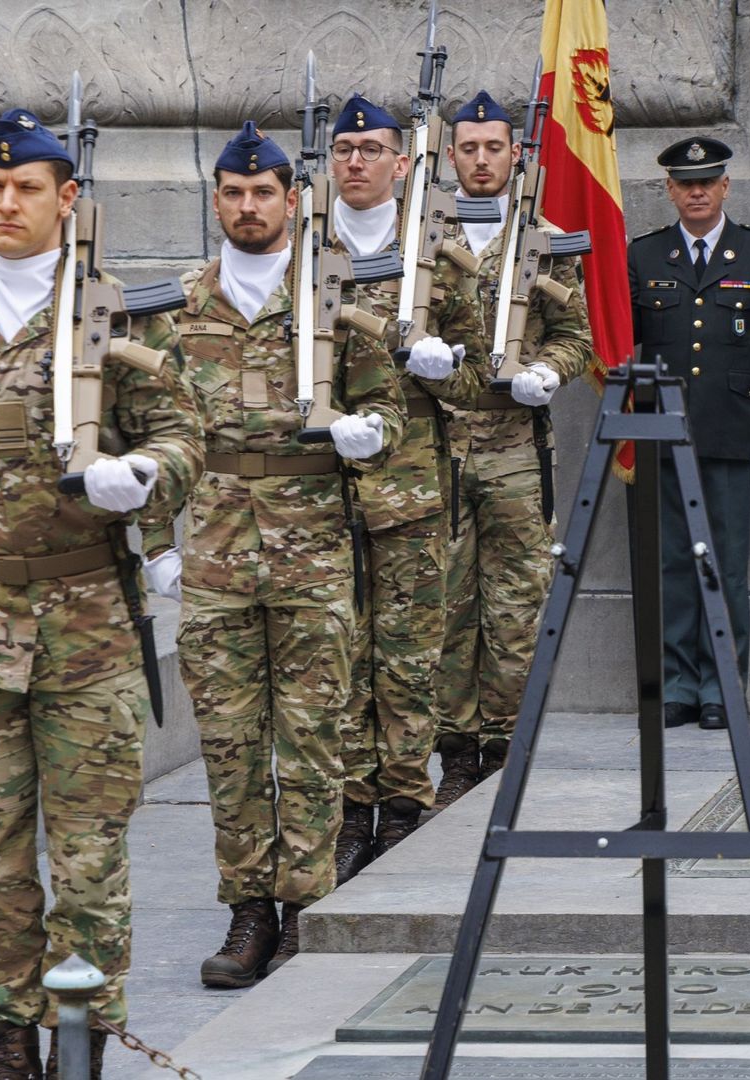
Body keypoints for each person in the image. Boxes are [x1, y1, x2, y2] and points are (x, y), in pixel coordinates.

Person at [0, 108, 202, 1078]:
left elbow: (186, 439)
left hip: (88, 628)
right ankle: (5, 1045)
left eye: (25, 188)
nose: (5, 202)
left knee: (92, 854)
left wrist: (138, 477)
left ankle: (86, 1040)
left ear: (68, 200)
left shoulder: (119, 316)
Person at [150, 122, 406, 986]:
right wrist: (156, 542)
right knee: (229, 742)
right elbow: (138, 431)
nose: (248, 206)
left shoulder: (334, 296)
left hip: (314, 552)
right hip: (216, 555)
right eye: (233, 192)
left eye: (263, 193)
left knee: (311, 738)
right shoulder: (180, 307)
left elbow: (391, 409)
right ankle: (247, 912)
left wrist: (372, 434)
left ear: (292, 202)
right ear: (217, 200)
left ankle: (305, 908)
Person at [422, 90, 595, 806]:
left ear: (515, 153)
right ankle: (454, 749)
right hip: (439, 445)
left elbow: (578, 333)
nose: (483, 159)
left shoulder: (545, 237)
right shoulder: (422, 239)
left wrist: (550, 371)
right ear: (451, 155)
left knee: (517, 605)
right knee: (445, 602)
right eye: (469, 148)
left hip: (517, 446)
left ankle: (505, 744)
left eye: (495, 147)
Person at [324, 94, 480, 879]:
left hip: (415, 494)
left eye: (370, 147)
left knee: (410, 664)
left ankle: (405, 811)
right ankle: (352, 814)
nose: (355, 160)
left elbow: (487, 380)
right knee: (344, 665)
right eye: (344, 147)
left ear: (402, 161)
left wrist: (444, 369)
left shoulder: (439, 253)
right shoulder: (301, 249)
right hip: (323, 498)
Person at [627, 136, 750, 730]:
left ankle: (721, 686)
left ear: (725, 187)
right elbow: (624, 341)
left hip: (732, 428)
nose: (696, 192)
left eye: (707, 182)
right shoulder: (644, 256)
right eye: (684, 183)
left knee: (723, 560)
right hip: (663, 427)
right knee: (671, 559)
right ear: (669, 191)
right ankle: (675, 683)